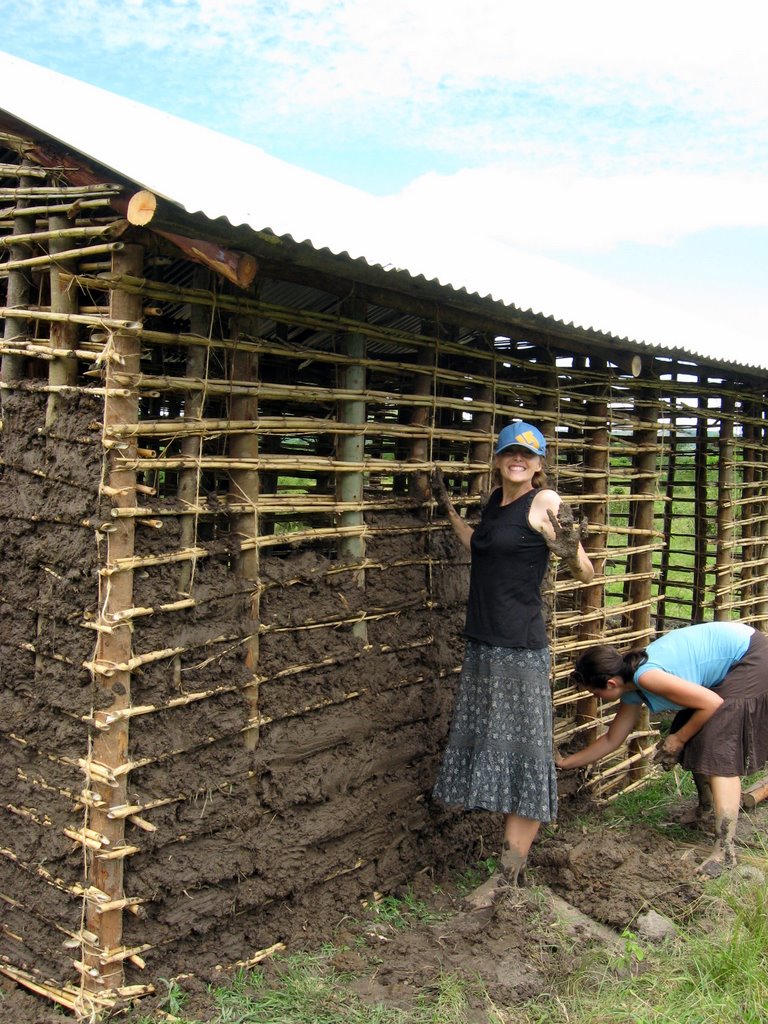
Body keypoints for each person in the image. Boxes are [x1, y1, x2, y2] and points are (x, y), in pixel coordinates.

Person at [431, 420, 594, 908]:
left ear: (539, 464)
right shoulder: (495, 504)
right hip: (484, 644)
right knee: (497, 747)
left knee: (524, 755)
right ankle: (508, 871)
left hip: (519, 649)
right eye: (509, 453)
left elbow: (585, 570)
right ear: (498, 460)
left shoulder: (545, 502)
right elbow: (479, 547)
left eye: (527, 454)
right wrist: (447, 510)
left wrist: (567, 552)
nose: (517, 460)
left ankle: (509, 875)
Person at [557, 621, 768, 876]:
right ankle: (706, 811)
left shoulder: (647, 676)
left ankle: (724, 851)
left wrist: (677, 739)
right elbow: (613, 739)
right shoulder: (631, 688)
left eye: (594, 693)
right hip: (734, 659)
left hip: (749, 657)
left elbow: (712, 702)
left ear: (610, 684)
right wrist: (566, 763)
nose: (595, 699)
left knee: (718, 749)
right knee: (698, 734)